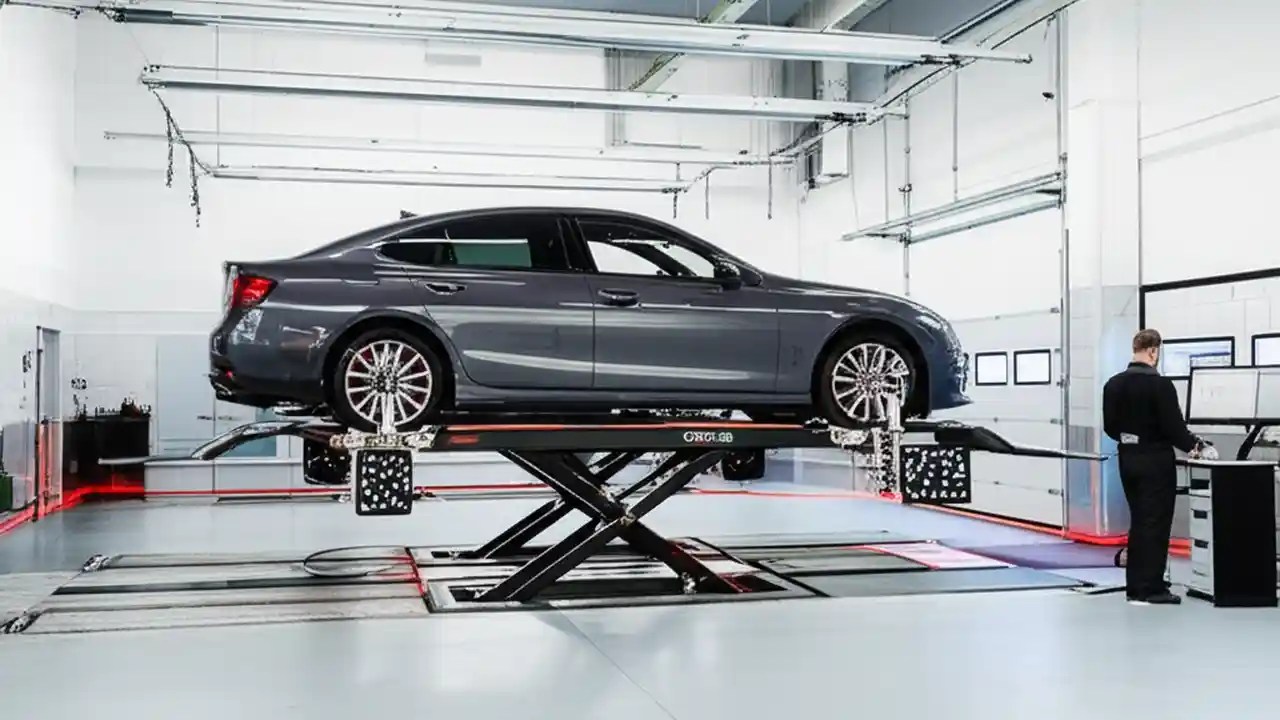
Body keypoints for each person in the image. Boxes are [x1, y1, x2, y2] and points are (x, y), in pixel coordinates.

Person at [1102, 328, 1212, 605]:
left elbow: (1111, 428)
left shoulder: (1113, 384)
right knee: (1156, 523)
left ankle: (1135, 588)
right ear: (1154, 351)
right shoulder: (1161, 386)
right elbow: (1174, 429)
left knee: (1139, 521)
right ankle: (1152, 589)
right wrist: (1197, 447)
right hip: (1155, 462)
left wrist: (1133, 439)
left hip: (1128, 460)